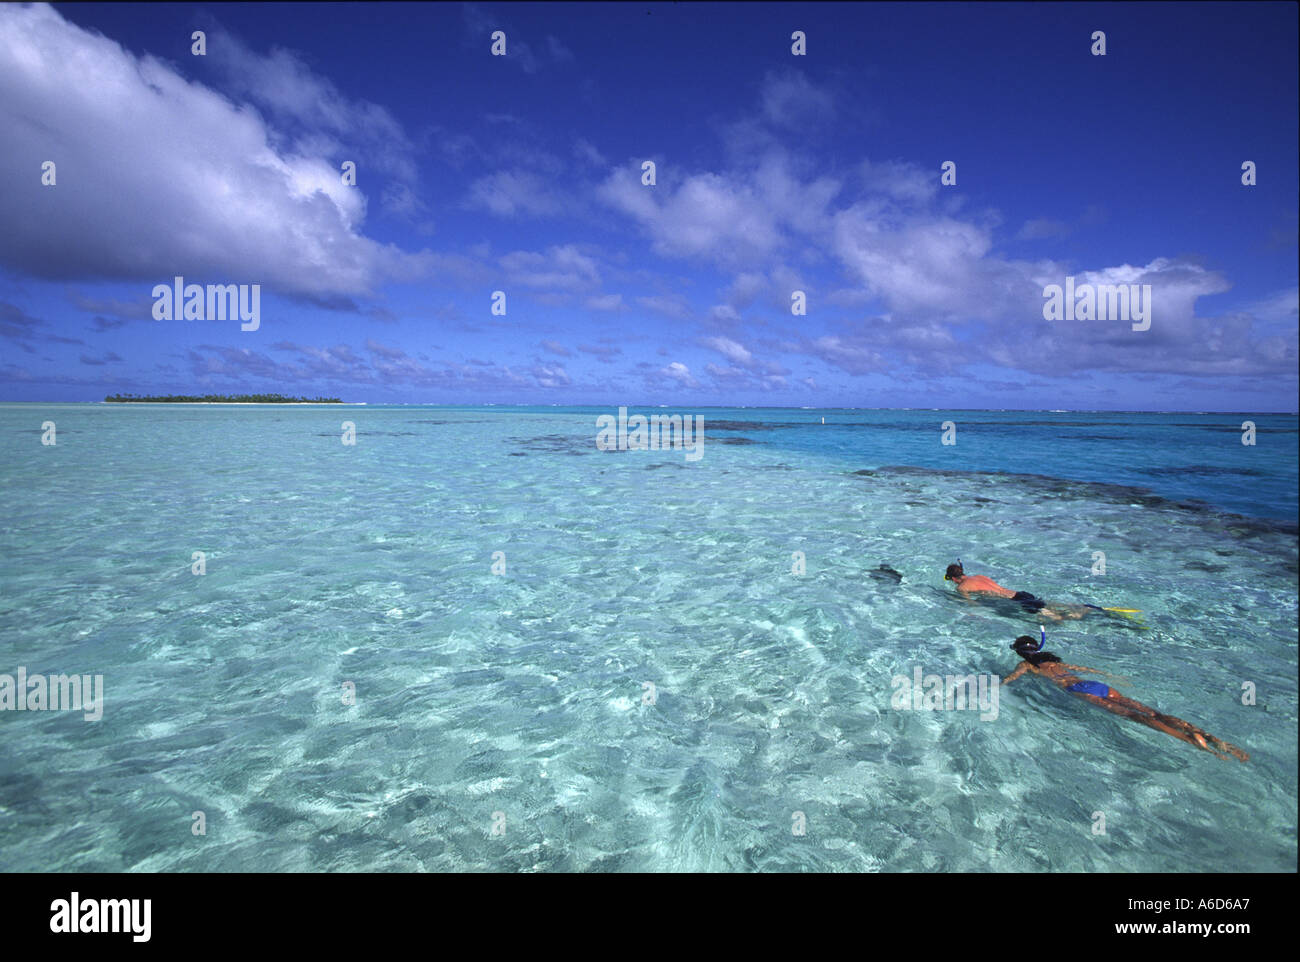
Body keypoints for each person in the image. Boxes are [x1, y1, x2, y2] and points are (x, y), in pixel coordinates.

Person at [1003, 631, 1248, 762]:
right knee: (1153, 712)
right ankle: (1215, 739)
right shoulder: (1055, 661)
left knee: (1137, 717)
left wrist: (999, 684)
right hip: (1096, 685)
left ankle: (1194, 743)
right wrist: (1112, 676)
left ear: (1020, 653)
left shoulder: (1029, 666)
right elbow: (1087, 670)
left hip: (1077, 690)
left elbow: (1011, 679)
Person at [944, 560, 1101, 621]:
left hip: (1014, 601)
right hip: (1019, 594)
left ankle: (1079, 614)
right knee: (1048, 604)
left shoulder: (962, 587)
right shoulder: (979, 576)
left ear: (953, 578)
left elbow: (972, 604)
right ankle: (1082, 606)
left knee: (1056, 618)